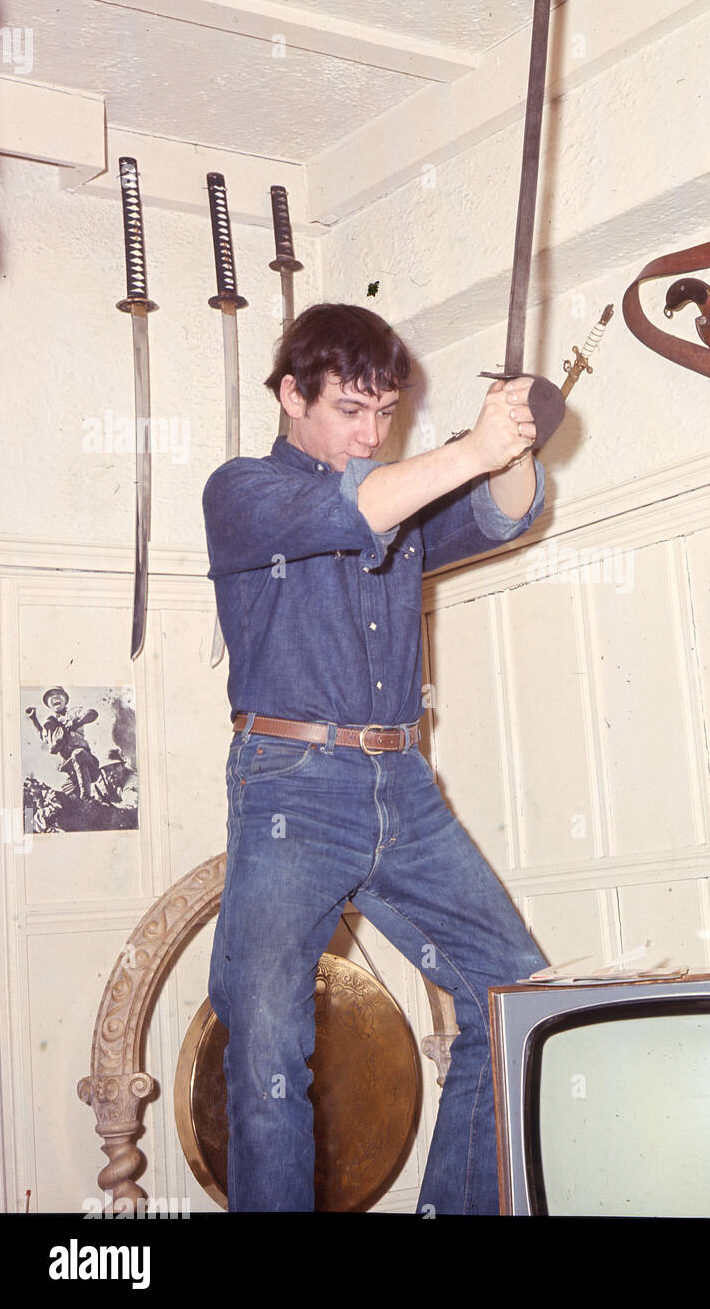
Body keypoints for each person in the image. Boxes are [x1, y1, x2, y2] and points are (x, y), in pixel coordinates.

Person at [202, 303, 549, 1214]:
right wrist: (469, 450)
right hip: (290, 787)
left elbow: (499, 515)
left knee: (513, 999)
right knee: (267, 1050)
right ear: (289, 395)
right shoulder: (240, 491)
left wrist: (514, 445)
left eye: (384, 413)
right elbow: (354, 509)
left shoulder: (395, 497)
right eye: (350, 411)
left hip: (404, 785)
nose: (371, 432)